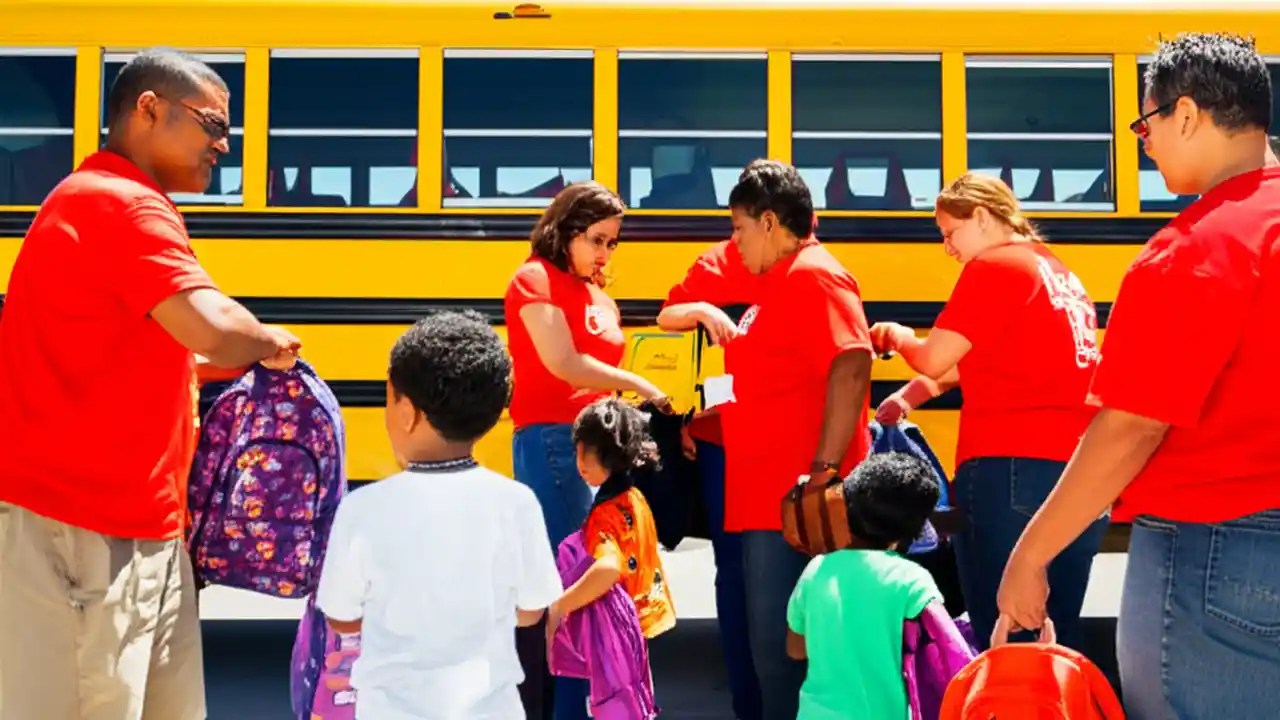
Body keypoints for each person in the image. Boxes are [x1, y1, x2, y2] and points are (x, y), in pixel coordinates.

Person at [0, 48, 300, 720]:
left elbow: (159, 355)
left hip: (137, 528)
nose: (223, 147)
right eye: (211, 125)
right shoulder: (121, 204)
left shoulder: (97, 202)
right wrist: (267, 341)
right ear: (148, 110)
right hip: (85, 528)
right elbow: (212, 327)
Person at [997, 32, 1280, 718]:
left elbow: (1131, 425)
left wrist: (1031, 555)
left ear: (1186, 115)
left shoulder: (1194, 249)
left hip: (1216, 549)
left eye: (1144, 122)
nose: (1143, 142)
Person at [869, 173, 1106, 653]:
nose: (948, 248)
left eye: (949, 233)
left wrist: (895, 335)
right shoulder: (1057, 273)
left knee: (1005, 633)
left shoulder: (996, 268)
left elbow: (936, 356)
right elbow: (987, 360)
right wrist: (912, 395)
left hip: (1011, 470)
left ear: (981, 216)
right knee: (1055, 634)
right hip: (1080, 474)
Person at [315, 310, 563, 719]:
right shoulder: (516, 502)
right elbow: (531, 611)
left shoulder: (362, 509)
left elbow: (342, 618)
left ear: (408, 411)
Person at [502, 181, 671, 720]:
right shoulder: (534, 280)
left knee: (591, 592)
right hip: (555, 444)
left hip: (594, 450)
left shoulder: (595, 292)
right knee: (572, 588)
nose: (604, 254)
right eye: (596, 239)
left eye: (613, 243)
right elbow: (564, 363)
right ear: (564, 231)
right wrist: (642, 384)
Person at [720, 159, 874, 720]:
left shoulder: (813, 274)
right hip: (770, 501)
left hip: (797, 506)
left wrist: (824, 472)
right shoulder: (778, 285)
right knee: (778, 654)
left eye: (737, 228)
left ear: (768, 221)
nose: (732, 243)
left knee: (790, 660)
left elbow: (853, 363)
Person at [656, 239, 763, 720]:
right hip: (720, 434)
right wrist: (701, 308)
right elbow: (667, 316)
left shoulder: (803, 262)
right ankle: (748, 693)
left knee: (779, 563)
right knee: (735, 564)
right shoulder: (717, 262)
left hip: (777, 430)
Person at [786, 453, 944, 719]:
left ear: (846, 507)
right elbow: (939, 654)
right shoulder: (913, 580)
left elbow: (796, 649)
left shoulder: (817, 569)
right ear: (915, 529)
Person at [546, 398, 678, 716]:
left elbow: (607, 569)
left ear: (603, 454)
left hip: (616, 634)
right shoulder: (635, 499)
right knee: (638, 704)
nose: (578, 461)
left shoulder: (603, 515)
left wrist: (560, 606)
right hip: (642, 620)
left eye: (582, 451)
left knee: (615, 707)